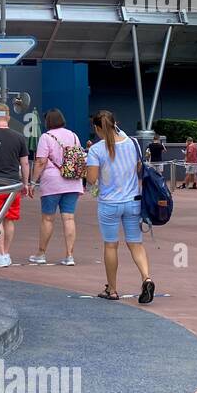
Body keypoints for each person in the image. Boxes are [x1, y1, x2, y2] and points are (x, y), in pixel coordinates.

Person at [85, 109, 154, 303]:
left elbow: (91, 179)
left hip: (109, 203)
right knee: (135, 244)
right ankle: (146, 278)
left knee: (111, 245)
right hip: (133, 201)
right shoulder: (132, 143)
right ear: (115, 123)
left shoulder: (96, 150)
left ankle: (112, 289)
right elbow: (138, 168)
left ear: (98, 128)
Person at [27, 108, 83, 266]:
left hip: (52, 182)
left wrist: (33, 182)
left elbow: (41, 161)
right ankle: (69, 255)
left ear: (48, 121)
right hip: (73, 181)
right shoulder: (73, 135)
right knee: (69, 218)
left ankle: (41, 253)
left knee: (48, 218)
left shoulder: (46, 137)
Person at [0, 104, 31, 268]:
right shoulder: (19, 137)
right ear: (8, 117)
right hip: (13, 184)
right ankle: (6, 253)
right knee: (9, 220)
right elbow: (25, 163)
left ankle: (1, 253)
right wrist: (26, 183)